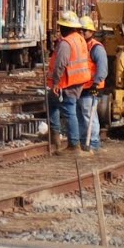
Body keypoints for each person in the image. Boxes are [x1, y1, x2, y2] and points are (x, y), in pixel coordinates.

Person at [49, 10, 92, 156]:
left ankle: (74, 145)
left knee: (69, 110)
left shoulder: (66, 43)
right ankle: (54, 136)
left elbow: (60, 63)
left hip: (67, 82)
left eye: (61, 26)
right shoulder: (80, 39)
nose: (60, 29)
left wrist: (55, 83)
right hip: (78, 81)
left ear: (65, 27)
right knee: (52, 103)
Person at [78, 15, 109, 154]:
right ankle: (84, 141)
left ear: (92, 32)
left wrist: (96, 84)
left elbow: (102, 68)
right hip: (80, 86)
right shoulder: (80, 46)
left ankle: (94, 142)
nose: (82, 33)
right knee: (81, 115)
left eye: (85, 30)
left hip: (91, 87)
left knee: (89, 115)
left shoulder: (96, 48)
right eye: (80, 30)